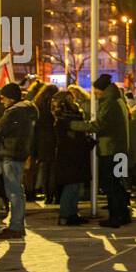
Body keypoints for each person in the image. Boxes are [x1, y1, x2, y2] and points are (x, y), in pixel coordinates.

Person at [71, 75, 131, 227]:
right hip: (121, 148)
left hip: (110, 149)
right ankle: (123, 214)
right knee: (119, 182)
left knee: (110, 183)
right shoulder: (119, 100)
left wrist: (74, 125)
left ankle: (115, 216)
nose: (96, 95)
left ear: (102, 90)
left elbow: (99, 125)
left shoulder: (109, 103)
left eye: (97, 92)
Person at [0, 83, 38, 240]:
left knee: (14, 192)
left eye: (4, 98)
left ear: (10, 98)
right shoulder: (29, 110)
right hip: (20, 153)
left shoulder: (14, 112)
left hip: (11, 152)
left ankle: (16, 226)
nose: (2, 101)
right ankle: (17, 225)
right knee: (17, 190)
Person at [51, 89, 92, 225]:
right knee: (71, 185)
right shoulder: (65, 117)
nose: (73, 101)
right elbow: (71, 138)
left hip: (74, 155)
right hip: (70, 156)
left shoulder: (68, 115)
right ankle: (65, 215)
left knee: (75, 185)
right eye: (70, 99)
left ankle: (72, 213)